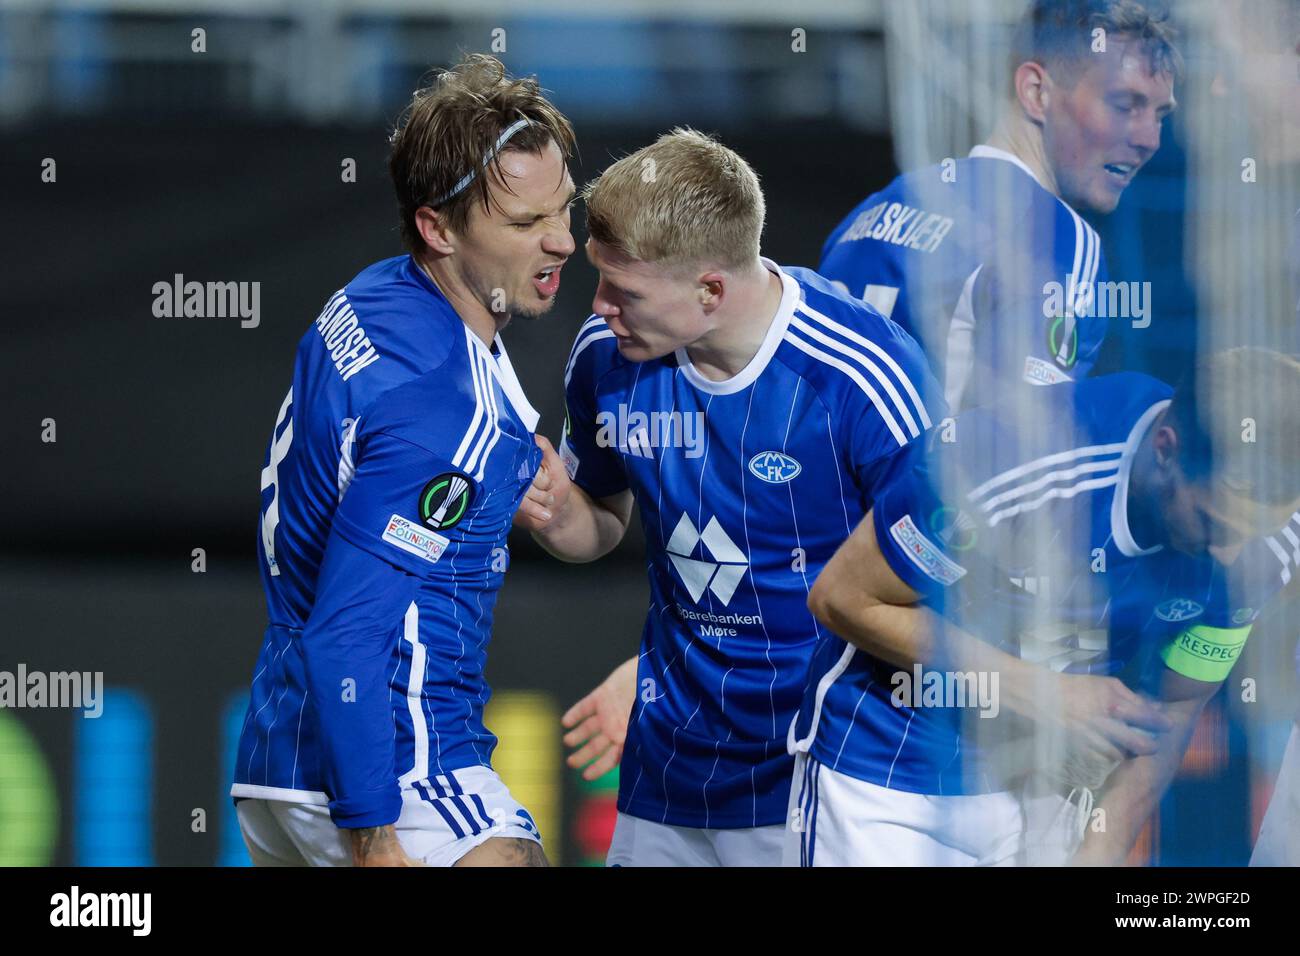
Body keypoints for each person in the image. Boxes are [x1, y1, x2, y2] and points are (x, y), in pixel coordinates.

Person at [515, 129, 943, 865]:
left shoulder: (867, 376)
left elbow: (942, 592)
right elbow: (604, 520)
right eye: (599, 277)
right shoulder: (604, 358)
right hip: (667, 776)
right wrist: (558, 512)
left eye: (626, 290)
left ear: (711, 290)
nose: (600, 306)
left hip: (824, 783)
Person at [230, 54, 576, 867]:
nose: (564, 241)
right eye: (527, 225)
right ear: (438, 227)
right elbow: (349, 635)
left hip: (278, 759)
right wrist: (375, 833)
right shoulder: (451, 416)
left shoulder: (372, 296)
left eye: (567, 208)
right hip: (399, 764)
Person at [789, 347, 1300, 865]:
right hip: (890, 773)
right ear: (1167, 450)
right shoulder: (1005, 458)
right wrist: (1046, 693)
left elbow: (1176, 706)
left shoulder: (1265, 552)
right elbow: (841, 598)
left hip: (1049, 789)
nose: (1231, 555)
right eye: (1214, 524)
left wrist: (1099, 851)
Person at [819, 0, 1180, 412]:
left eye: (1160, 115)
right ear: (1036, 92)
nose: (1149, 139)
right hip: (932, 477)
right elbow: (1017, 461)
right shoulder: (1053, 235)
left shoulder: (866, 216)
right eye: (1124, 105)